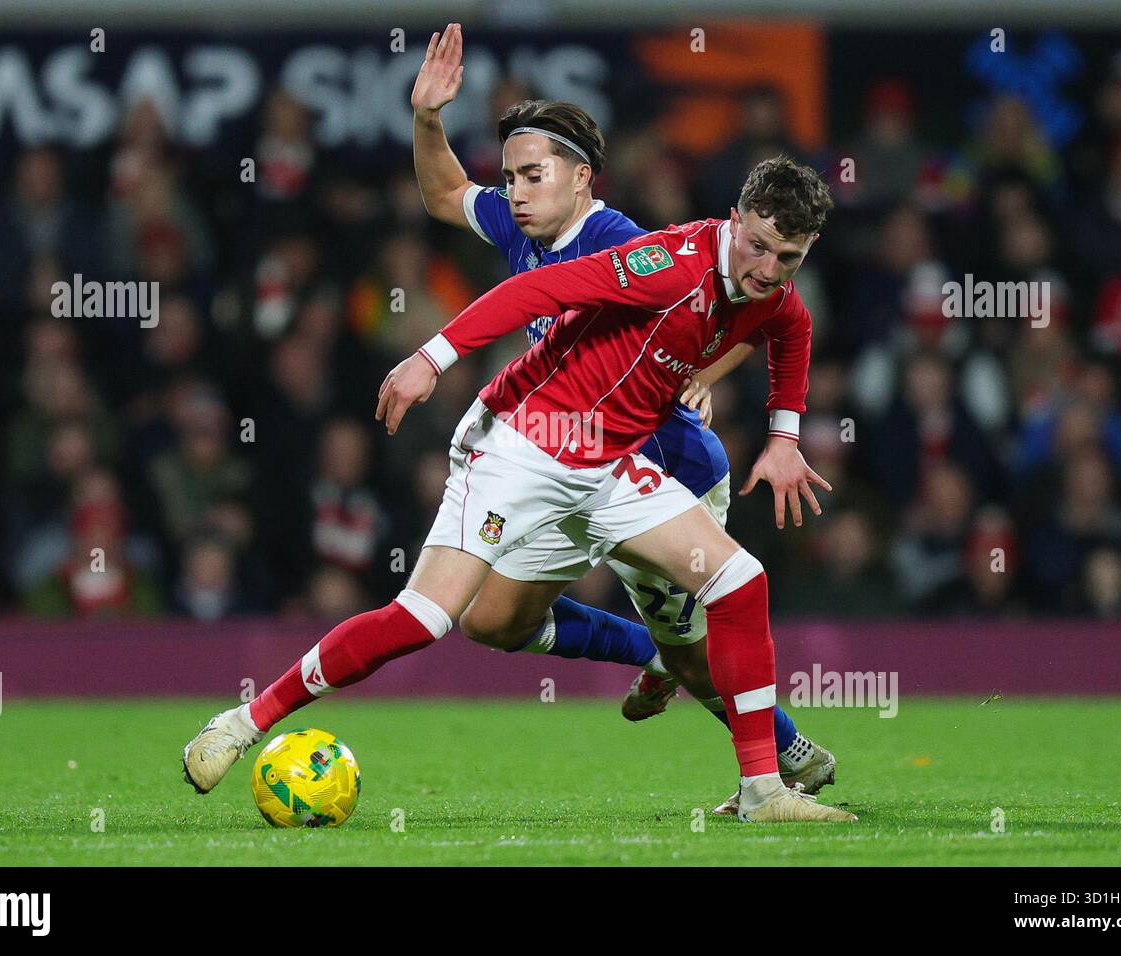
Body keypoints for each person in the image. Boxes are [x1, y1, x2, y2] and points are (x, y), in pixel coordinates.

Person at [183, 153, 855, 824]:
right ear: (735, 220)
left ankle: (763, 791)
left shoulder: (772, 291)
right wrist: (431, 358)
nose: (766, 269)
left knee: (739, 583)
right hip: (523, 444)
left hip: (608, 464)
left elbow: (790, 328)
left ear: (808, 249)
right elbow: (535, 293)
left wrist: (786, 437)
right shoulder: (668, 265)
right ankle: (242, 722)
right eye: (758, 246)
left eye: (787, 257)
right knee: (427, 618)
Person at [409, 23, 837, 813]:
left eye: (530, 175)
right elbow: (440, 194)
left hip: (662, 466)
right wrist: (429, 118)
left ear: (581, 179)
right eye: (511, 178)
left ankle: (780, 758)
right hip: (572, 458)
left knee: (702, 642)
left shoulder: (625, 244)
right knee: (492, 620)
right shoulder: (523, 224)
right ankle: (661, 658)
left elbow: (748, 307)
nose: (514, 191)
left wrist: (703, 375)